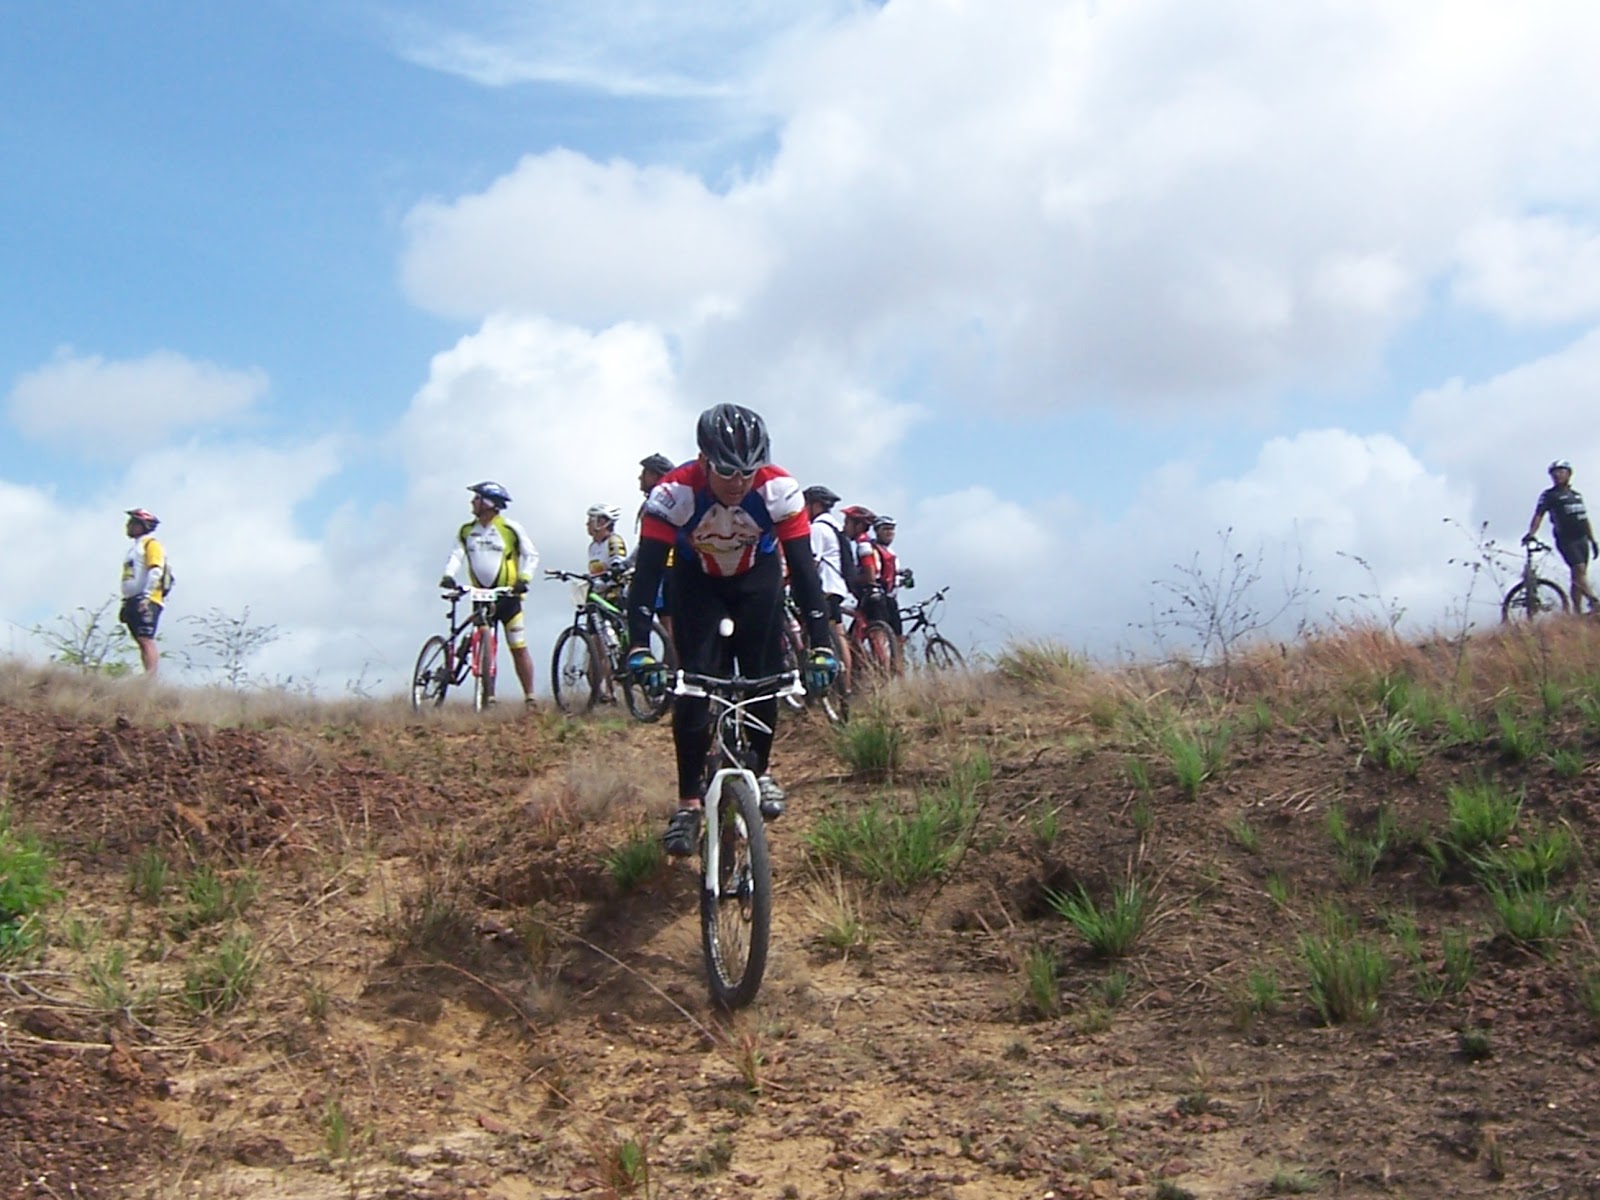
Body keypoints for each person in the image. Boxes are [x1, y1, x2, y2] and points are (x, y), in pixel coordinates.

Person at [624, 404, 838, 857]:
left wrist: (821, 646)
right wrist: (639, 647)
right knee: (695, 685)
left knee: (766, 676)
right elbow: (644, 577)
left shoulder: (779, 490)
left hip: (755, 578)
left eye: (749, 471)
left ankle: (759, 771)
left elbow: (803, 573)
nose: (739, 482)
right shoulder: (673, 494)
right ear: (703, 460)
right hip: (695, 582)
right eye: (727, 471)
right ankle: (688, 802)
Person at [440, 481, 540, 706]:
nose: (472, 503)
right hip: (480, 596)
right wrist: (449, 575)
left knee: (518, 646)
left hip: (508, 597)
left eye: (476, 498)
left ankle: (530, 697)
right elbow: (456, 555)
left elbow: (531, 555)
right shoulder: (467, 530)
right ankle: (489, 697)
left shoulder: (510, 528)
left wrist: (524, 579)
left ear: (488, 503)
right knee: (484, 645)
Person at [1525, 459, 1600, 613]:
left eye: (1561, 471)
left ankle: (1577, 612)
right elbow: (1539, 514)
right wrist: (1532, 533)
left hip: (1582, 539)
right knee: (1578, 569)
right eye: (1554, 473)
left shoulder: (1576, 496)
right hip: (1566, 539)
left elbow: (1584, 519)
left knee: (1578, 576)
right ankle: (1594, 601)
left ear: (1569, 473)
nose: (1557, 475)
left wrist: (1592, 540)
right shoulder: (1550, 495)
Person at [120, 508, 167, 676]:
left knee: (145, 639)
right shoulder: (134, 549)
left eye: (132, 523)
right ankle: (147, 675)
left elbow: (156, 570)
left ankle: (150, 679)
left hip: (147, 599)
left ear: (142, 525)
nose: (128, 526)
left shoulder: (151, 544)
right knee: (140, 640)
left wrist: (146, 597)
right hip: (132, 598)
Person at [870, 515, 909, 653]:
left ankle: (898, 669)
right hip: (878, 597)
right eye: (885, 529)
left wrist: (902, 578)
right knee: (880, 636)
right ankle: (882, 669)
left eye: (892, 529)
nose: (890, 532)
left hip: (891, 598)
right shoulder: (872, 549)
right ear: (877, 531)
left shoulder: (891, 553)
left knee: (898, 637)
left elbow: (892, 576)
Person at [585, 504, 628, 602]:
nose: (587, 524)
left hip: (613, 593)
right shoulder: (592, 547)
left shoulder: (614, 541)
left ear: (601, 523)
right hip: (598, 592)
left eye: (591, 520)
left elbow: (619, 569)